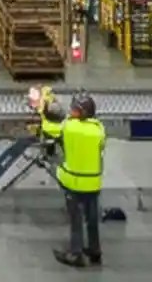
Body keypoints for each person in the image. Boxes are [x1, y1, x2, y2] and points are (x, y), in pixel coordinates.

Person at [54, 94, 105, 269]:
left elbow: (53, 130)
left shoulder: (68, 127)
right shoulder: (99, 128)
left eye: (74, 109)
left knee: (76, 220)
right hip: (93, 183)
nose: (71, 111)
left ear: (81, 112)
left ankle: (75, 254)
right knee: (92, 219)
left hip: (74, 183)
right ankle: (95, 251)